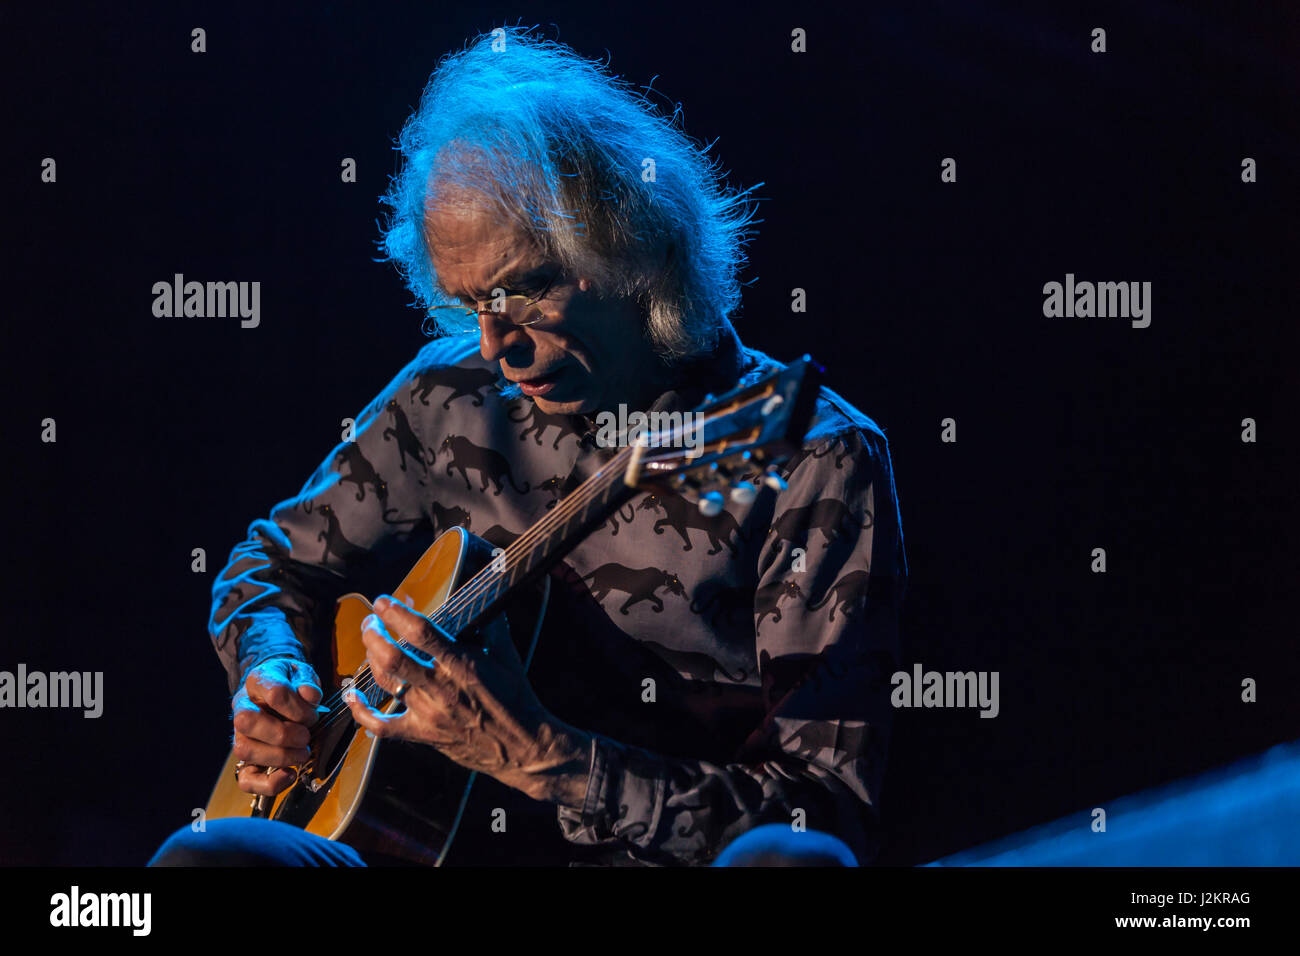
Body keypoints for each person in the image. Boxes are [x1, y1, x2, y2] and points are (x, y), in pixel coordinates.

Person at [150, 27, 907, 867]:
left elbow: (825, 814)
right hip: (426, 847)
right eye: (468, 302)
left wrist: (542, 758)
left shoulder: (815, 457)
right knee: (210, 857)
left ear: (639, 247)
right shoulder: (451, 396)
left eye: (523, 290)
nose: (492, 347)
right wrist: (275, 672)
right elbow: (268, 564)